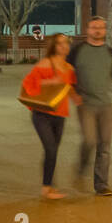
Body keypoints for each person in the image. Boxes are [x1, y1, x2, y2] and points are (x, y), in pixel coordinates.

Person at [68, 16, 112, 197]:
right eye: (93, 27)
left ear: (105, 31)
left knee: (104, 146)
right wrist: (72, 94)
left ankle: (101, 184)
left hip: (106, 106)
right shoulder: (77, 50)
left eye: (100, 28)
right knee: (89, 141)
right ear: (87, 30)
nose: (97, 30)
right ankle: (81, 169)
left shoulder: (110, 53)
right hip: (85, 104)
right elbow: (65, 72)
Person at [21, 33, 78, 200]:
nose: (64, 46)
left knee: (51, 151)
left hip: (60, 115)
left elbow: (70, 87)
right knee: (51, 149)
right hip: (42, 114)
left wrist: (77, 98)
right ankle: (46, 188)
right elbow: (27, 83)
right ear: (54, 46)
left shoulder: (69, 68)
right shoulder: (45, 64)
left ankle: (49, 186)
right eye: (60, 44)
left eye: (66, 43)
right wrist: (48, 82)